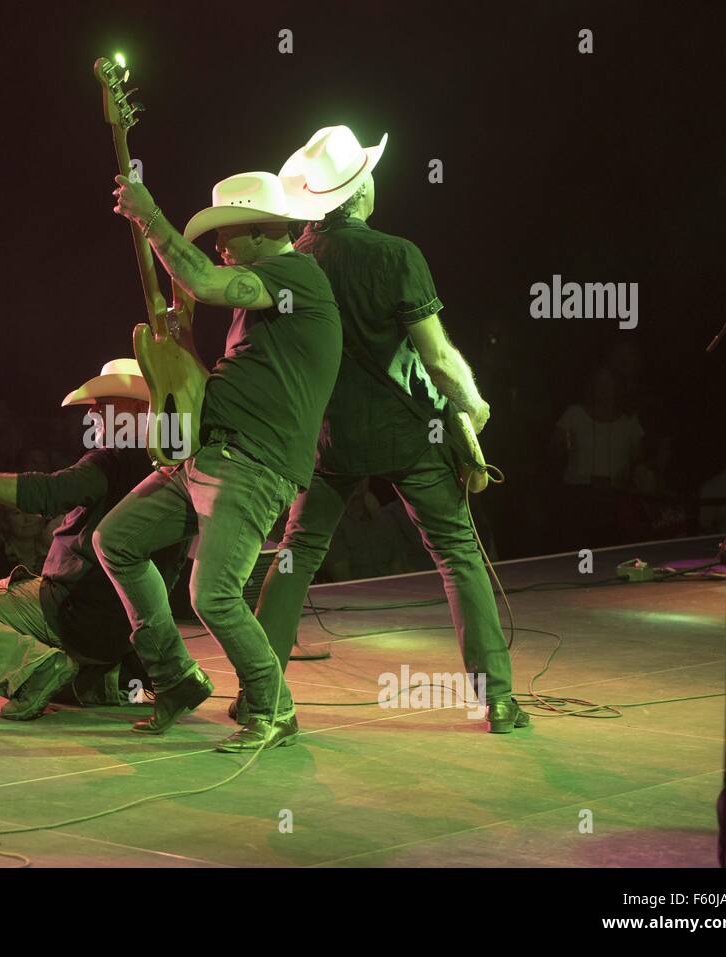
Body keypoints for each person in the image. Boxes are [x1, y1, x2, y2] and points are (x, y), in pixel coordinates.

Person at [251, 125, 527, 732]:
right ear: (360, 188)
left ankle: (259, 693)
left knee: (297, 553)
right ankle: (499, 699)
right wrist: (474, 407)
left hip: (324, 437)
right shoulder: (396, 254)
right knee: (457, 553)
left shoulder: (292, 264)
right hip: (409, 433)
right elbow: (437, 358)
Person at [97, 170, 342, 751]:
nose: (218, 246)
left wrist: (149, 218)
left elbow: (205, 280)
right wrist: (181, 345)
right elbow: (221, 387)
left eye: (226, 232)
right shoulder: (262, 302)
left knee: (214, 595)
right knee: (117, 541)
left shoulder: (296, 277)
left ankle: (273, 707)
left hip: (253, 464)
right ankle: (177, 678)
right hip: (213, 455)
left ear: (262, 229)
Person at [0, 360, 184, 720]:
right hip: (126, 627)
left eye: (105, 402)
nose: (93, 411)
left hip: (73, 609)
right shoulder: (180, 469)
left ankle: (37, 671)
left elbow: (47, 493)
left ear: (141, 410)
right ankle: (105, 681)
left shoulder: (112, 460)